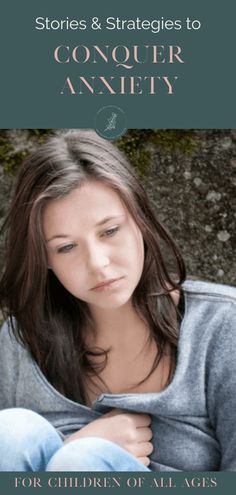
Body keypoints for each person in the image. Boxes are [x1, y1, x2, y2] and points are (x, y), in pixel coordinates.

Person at [0, 129, 235, 472]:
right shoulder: (20, 340)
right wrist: (72, 446)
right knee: (10, 434)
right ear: (44, 258)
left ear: (139, 217)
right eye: (66, 247)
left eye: (110, 231)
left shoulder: (222, 325)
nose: (97, 263)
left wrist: (87, 462)